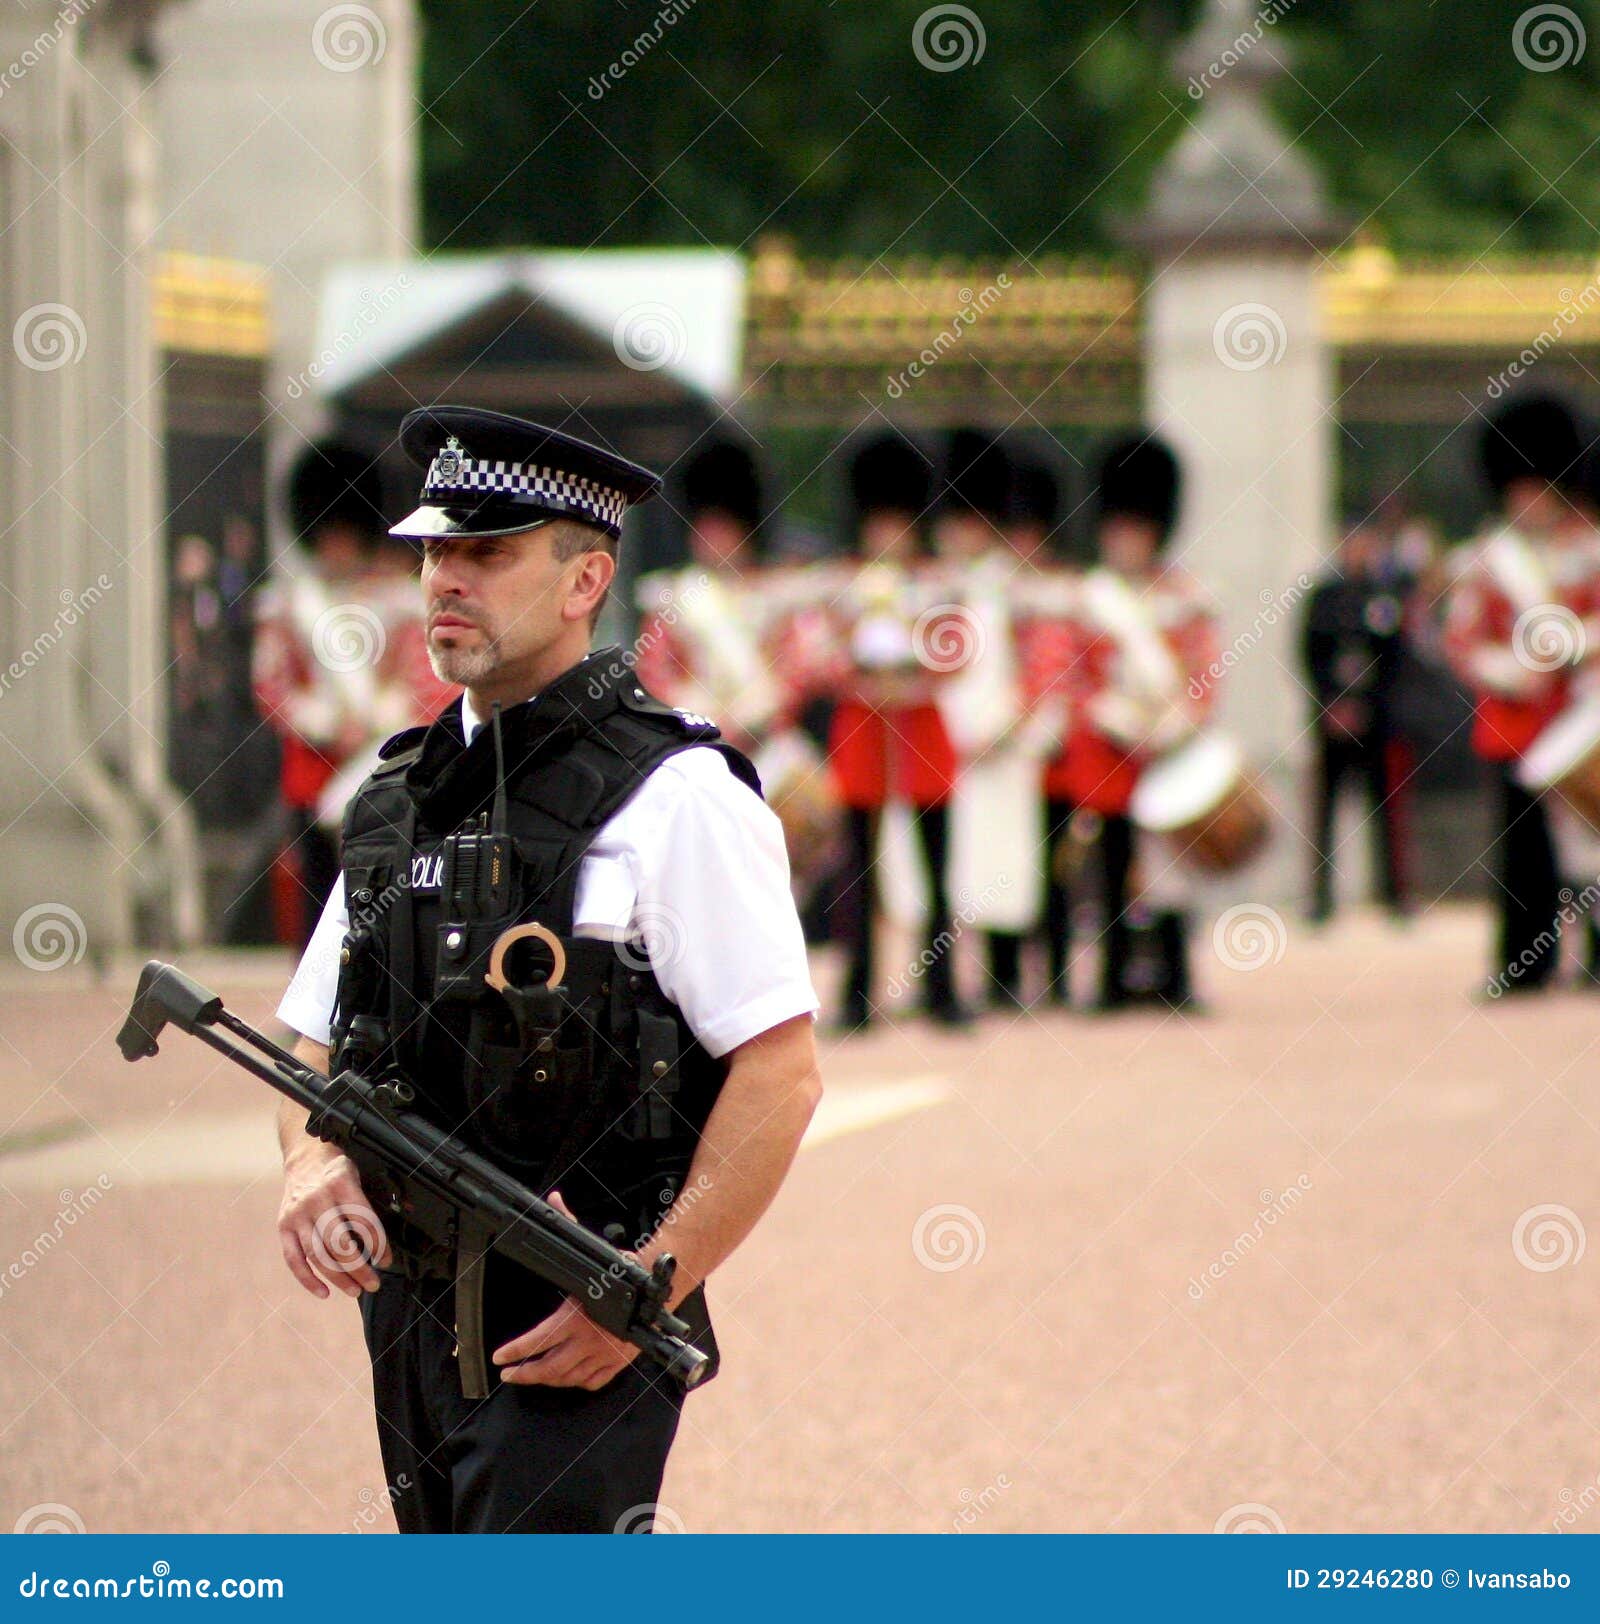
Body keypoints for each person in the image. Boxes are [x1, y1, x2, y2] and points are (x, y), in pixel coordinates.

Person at [273, 406, 823, 1533]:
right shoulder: (393, 801)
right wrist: (308, 1160)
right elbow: (312, 1044)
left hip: (582, 1312)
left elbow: (780, 1073)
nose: (444, 579)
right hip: (408, 1316)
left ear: (586, 581)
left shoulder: (678, 797)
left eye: (488, 553)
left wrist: (646, 1285)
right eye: (434, 551)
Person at [1060, 434, 1218, 1012]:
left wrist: (1178, 724)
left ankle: (1176, 977)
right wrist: (1113, 718)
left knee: (1172, 869)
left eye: (1135, 530)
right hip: (1110, 751)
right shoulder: (1091, 599)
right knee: (1111, 868)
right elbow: (1072, 675)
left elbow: (1204, 668)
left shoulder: (1185, 596)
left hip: (1169, 748)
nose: (1125, 541)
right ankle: (1111, 979)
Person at [822, 431, 970, 1029]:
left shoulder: (936, 584)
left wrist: (914, 677)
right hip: (863, 728)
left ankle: (942, 990)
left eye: (897, 525)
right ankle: (857, 994)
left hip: (920, 728)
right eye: (879, 524)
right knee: (860, 872)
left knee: (936, 871)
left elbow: (958, 652)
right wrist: (861, 678)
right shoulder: (843, 585)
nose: (887, 535)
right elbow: (820, 656)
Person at [1443, 396, 1589, 995]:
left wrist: (1572, 645)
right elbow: (1464, 641)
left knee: (1588, 846)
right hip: (1515, 723)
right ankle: (1525, 961)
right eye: (1520, 491)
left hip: (1579, 718)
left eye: (1538, 490)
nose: (1528, 502)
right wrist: (1512, 672)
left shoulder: (1587, 551)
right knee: (1521, 851)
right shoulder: (1488, 562)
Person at [253, 439, 409, 946]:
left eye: (347, 537)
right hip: (314, 770)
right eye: (329, 537)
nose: (338, 548)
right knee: (314, 892)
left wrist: (377, 720)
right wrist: (325, 724)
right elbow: (271, 688)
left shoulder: (399, 604)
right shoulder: (290, 606)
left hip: (380, 760)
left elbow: (420, 682)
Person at [1300, 503, 1417, 922]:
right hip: (1332, 719)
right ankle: (1320, 897)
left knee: (1386, 810)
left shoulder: (1385, 596)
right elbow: (1309, 657)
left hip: (1376, 719)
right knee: (1325, 811)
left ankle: (1394, 894)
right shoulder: (1323, 598)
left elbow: (1396, 658)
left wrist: (1368, 705)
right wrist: (1332, 703)